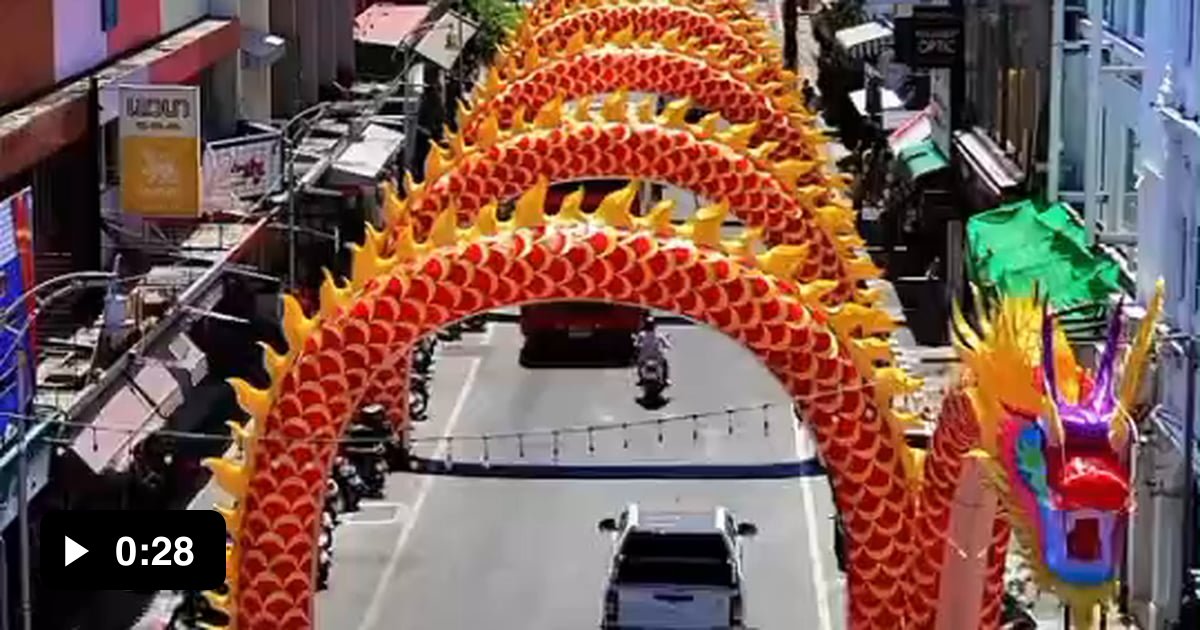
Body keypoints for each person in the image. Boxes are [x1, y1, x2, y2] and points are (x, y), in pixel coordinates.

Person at [633, 316, 671, 385]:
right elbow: (667, 344)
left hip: (645, 356)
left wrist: (637, 345)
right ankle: (666, 379)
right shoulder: (659, 334)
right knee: (664, 363)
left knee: (639, 365)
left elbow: (636, 344)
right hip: (656, 355)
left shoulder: (642, 334)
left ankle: (641, 379)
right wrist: (666, 347)